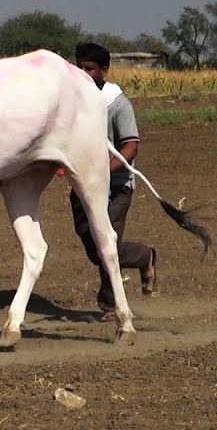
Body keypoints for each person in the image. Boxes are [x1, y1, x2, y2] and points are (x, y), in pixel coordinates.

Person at [69, 41, 158, 319]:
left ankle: (110, 303)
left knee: (105, 242)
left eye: (90, 68)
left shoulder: (117, 104)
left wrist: (105, 172)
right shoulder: (75, 102)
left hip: (117, 186)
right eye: (80, 67)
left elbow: (130, 146)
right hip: (83, 185)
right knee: (93, 245)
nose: (84, 73)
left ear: (104, 71)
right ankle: (144, 257)